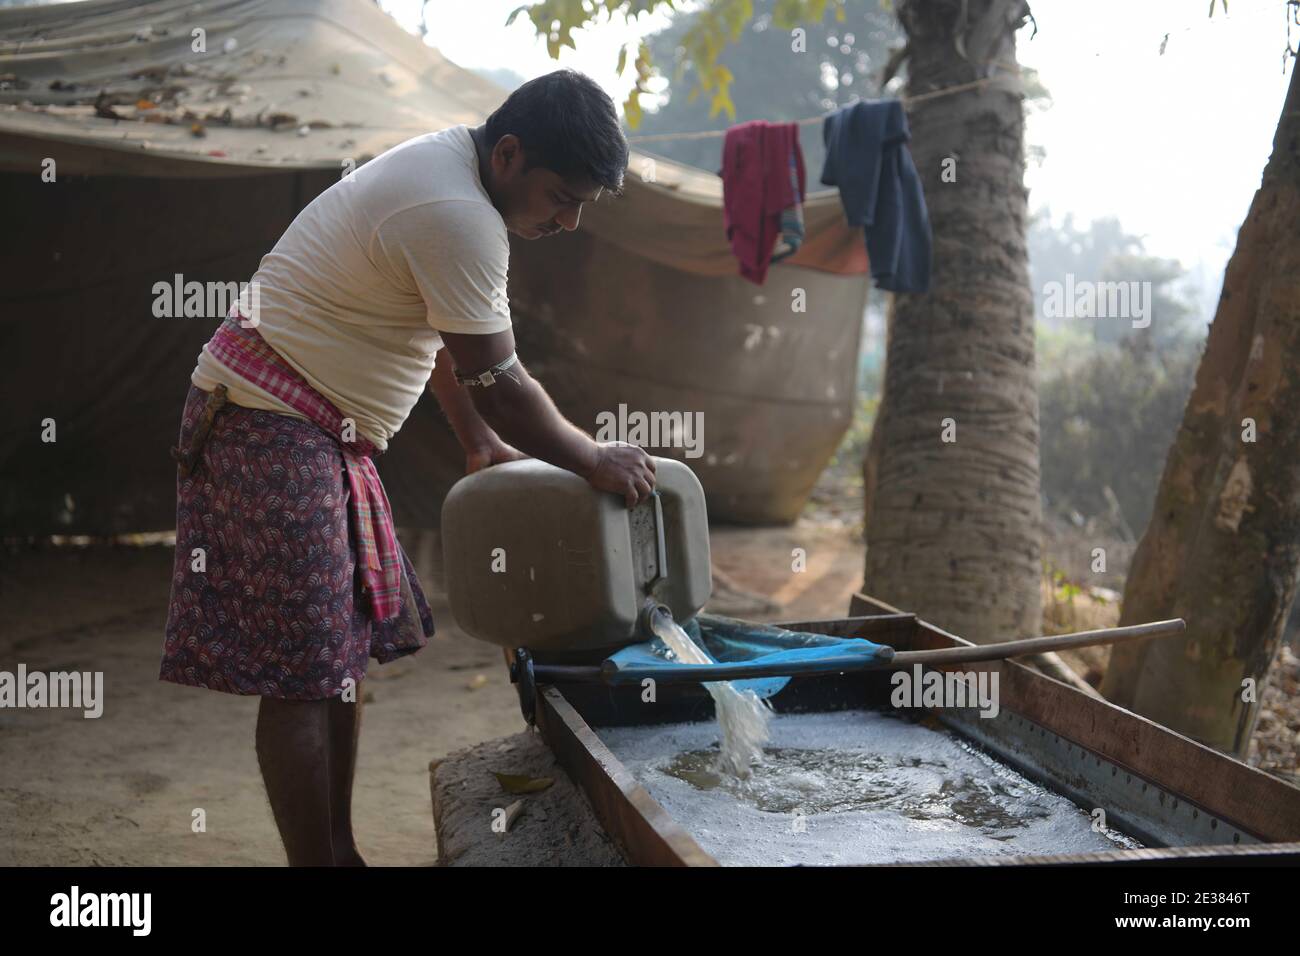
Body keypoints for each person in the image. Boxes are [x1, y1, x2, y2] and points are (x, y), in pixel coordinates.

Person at [159, 69, 656, 865]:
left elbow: (445, 347)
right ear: (509, 154)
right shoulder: (457, 213)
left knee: (336, 660)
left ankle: (338, 851)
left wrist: (478, 443)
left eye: (581, 206)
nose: (567, 221)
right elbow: (501, 381)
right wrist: (592, 456)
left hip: (314, 429)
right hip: (266, 421)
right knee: (303, 672)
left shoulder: (453, 175)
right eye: (562, 196)